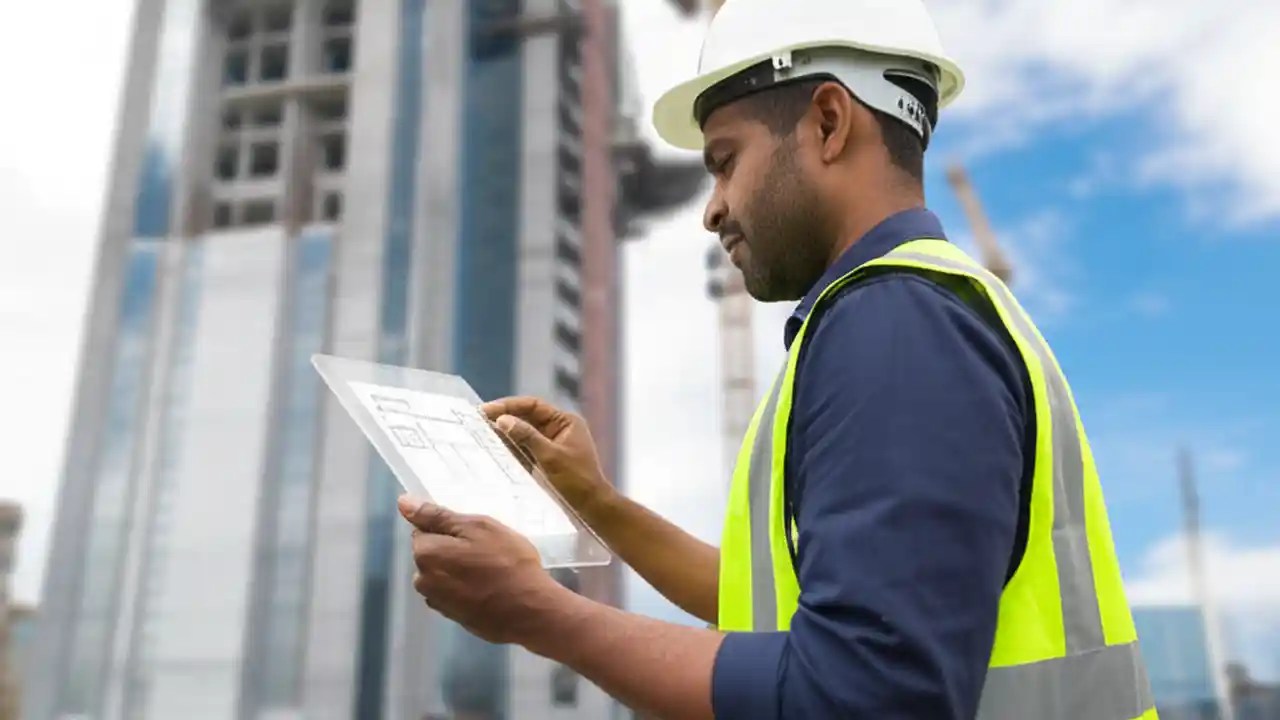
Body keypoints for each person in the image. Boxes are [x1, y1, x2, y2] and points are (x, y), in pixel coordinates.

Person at [395, 1, 1158, 718]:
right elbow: (774, 603)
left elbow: (865, 692)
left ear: (828, 121)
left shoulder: (895, 326)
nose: (712, 208)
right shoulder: (901, 317)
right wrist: (595, 502)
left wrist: (537, 612)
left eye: (725, 161)